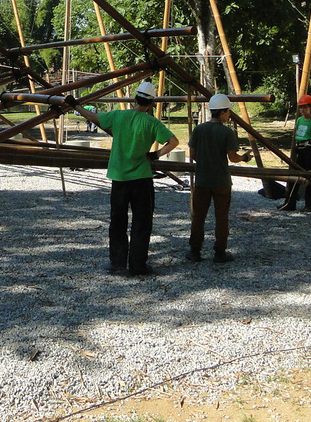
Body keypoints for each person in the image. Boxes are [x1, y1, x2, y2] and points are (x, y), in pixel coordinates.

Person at [73, 80, 179, 276]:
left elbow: (94, 117)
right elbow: (174, 141)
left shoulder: (119, 116)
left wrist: (76, 106)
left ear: (134, 99)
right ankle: (138, 265)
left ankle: (118, 262)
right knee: (142, 222)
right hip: (141, 178)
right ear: (151, 104)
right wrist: (156, 155)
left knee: (118, 220)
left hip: (119, 177)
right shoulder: (152, 122)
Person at [187, 93, 252, 262]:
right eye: (228, 111)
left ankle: (195, 250)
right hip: (222, 181)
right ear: (222, 112)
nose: (229, 114)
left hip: (202, 180)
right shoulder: (227, 132)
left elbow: (192, 153)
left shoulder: (199, 129)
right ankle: (220, 252)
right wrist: (244, 158)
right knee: (221, 217)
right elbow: (232, 157)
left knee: (198, 216)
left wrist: (204, 162)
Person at [280, 94, 311, 212]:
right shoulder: (299, 120)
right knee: (295, 176)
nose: (303, 110)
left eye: (305, 107)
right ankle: (290, 203)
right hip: (299, 149)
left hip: (309, 149)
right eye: (301, 107)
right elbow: (295, 134)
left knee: (310, 177)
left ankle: (310, 205)